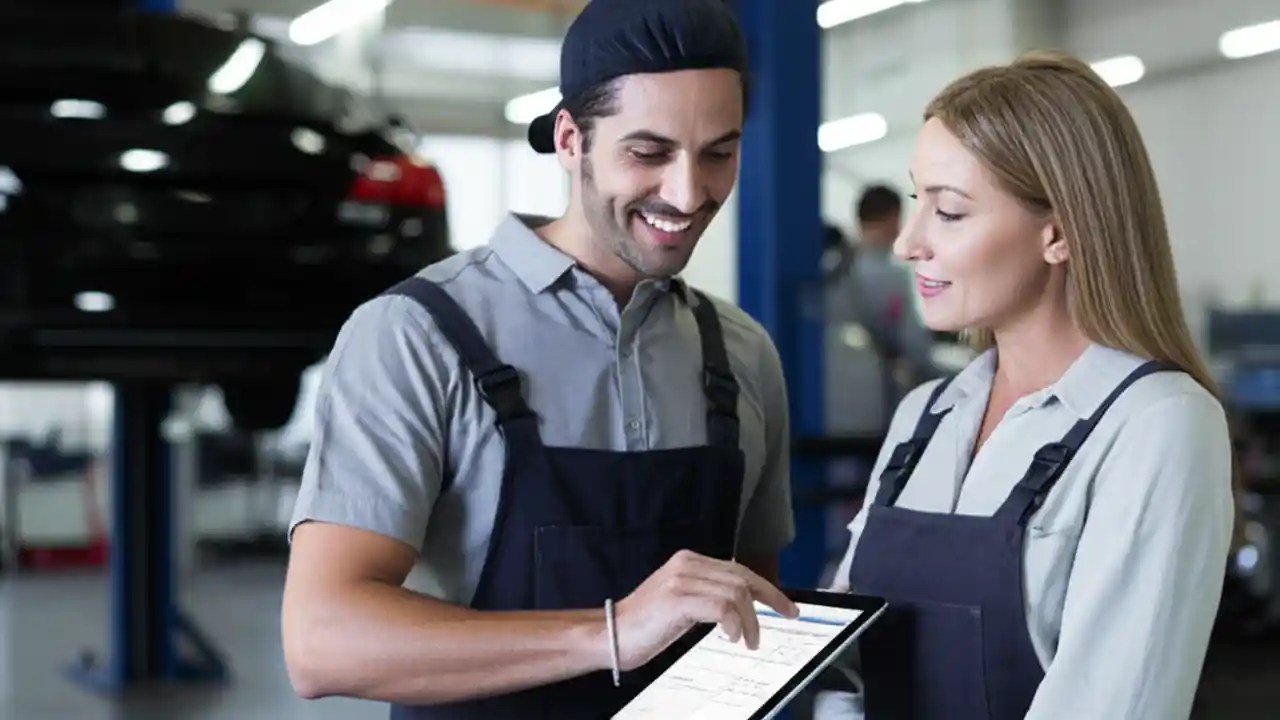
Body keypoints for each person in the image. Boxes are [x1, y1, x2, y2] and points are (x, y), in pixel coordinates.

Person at [280, 1, 799, 719]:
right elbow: (322, 641)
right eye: (648, 153)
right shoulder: (415, 335)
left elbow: (752, 619)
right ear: (570, 140)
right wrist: (611, 634)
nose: (688, 193)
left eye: (718, 153)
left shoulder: (742, 352)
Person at [819, 51, 1235, 720]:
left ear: (1058, 234)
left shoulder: (1158, 425)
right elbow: (847, 671)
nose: (908, 243)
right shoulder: (924, 416)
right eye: (916, 201)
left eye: (949, 212)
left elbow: (1111, 704)